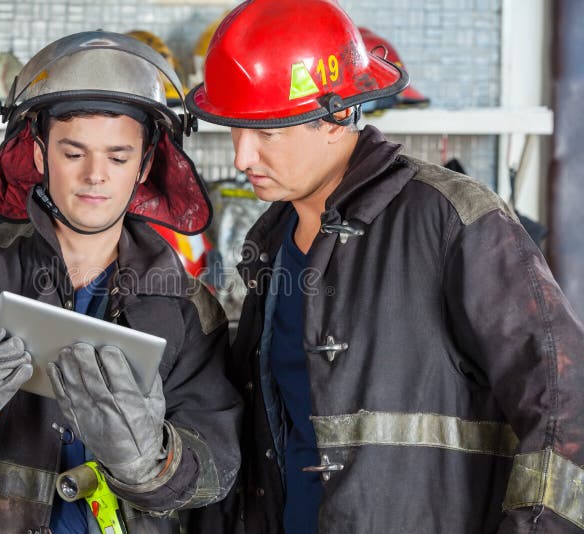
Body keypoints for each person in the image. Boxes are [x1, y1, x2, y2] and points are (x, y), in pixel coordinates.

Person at [184, 1, 584, 533]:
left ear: (335, 116)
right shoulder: (271, 242)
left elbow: (566, 404)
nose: (241, 157)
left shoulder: (450, 220)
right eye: (236, 129)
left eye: (267, 133)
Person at [0, 31, 241, 534]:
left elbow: (217, 471)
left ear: (145, 164)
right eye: (73, 153)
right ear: (38, 154)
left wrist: (152, 456)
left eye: (119, 157)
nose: (95, 175)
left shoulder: (187, 309)